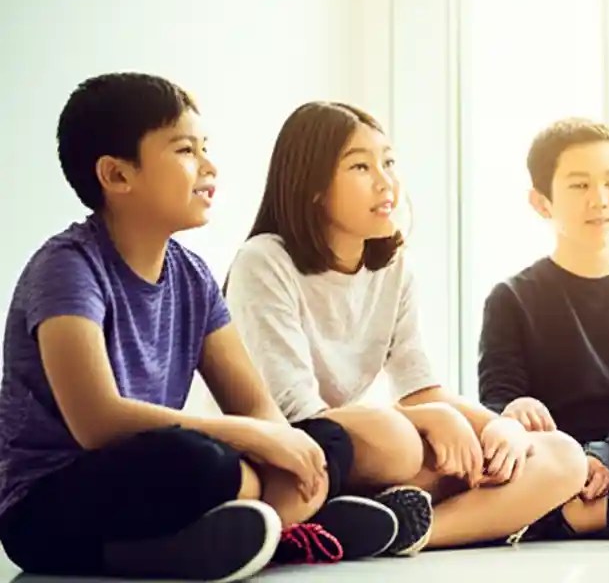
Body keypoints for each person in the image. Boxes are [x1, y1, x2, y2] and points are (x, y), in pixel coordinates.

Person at [0, 74, 393, 580]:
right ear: (117, 175)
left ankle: (253, 531)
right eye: (186, 150)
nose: (209, 166)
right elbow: (96, 422)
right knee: (200, 460)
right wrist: (255, 443)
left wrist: (291, 448)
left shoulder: (191, 275)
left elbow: (254, 405)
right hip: (48, 507)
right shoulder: (67, 268)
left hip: (158, 481)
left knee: (324, 439)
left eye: (206, 148)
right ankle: (286, 524)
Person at [225, 102, 588, 552]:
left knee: (562, 454)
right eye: (360, 166)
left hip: (362, 456)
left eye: (389, 162)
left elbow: (419, 388)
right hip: (289, 455)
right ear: (312, 185)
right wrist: (426, 420)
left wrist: (502, 429)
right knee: (397, 441)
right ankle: (358, 520)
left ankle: (405, 531)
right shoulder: (264, 261)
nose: (386, 182)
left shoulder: (393, 267)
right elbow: (295, 413)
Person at [477, 118, 609, 539]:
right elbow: (499, 399)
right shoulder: (510, 298)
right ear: (542, 202)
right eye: (579, 186)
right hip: (551, 458)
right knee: (510, 455)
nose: (600, 199)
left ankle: (575, 515)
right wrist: (517, 410)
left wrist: (605, 453)